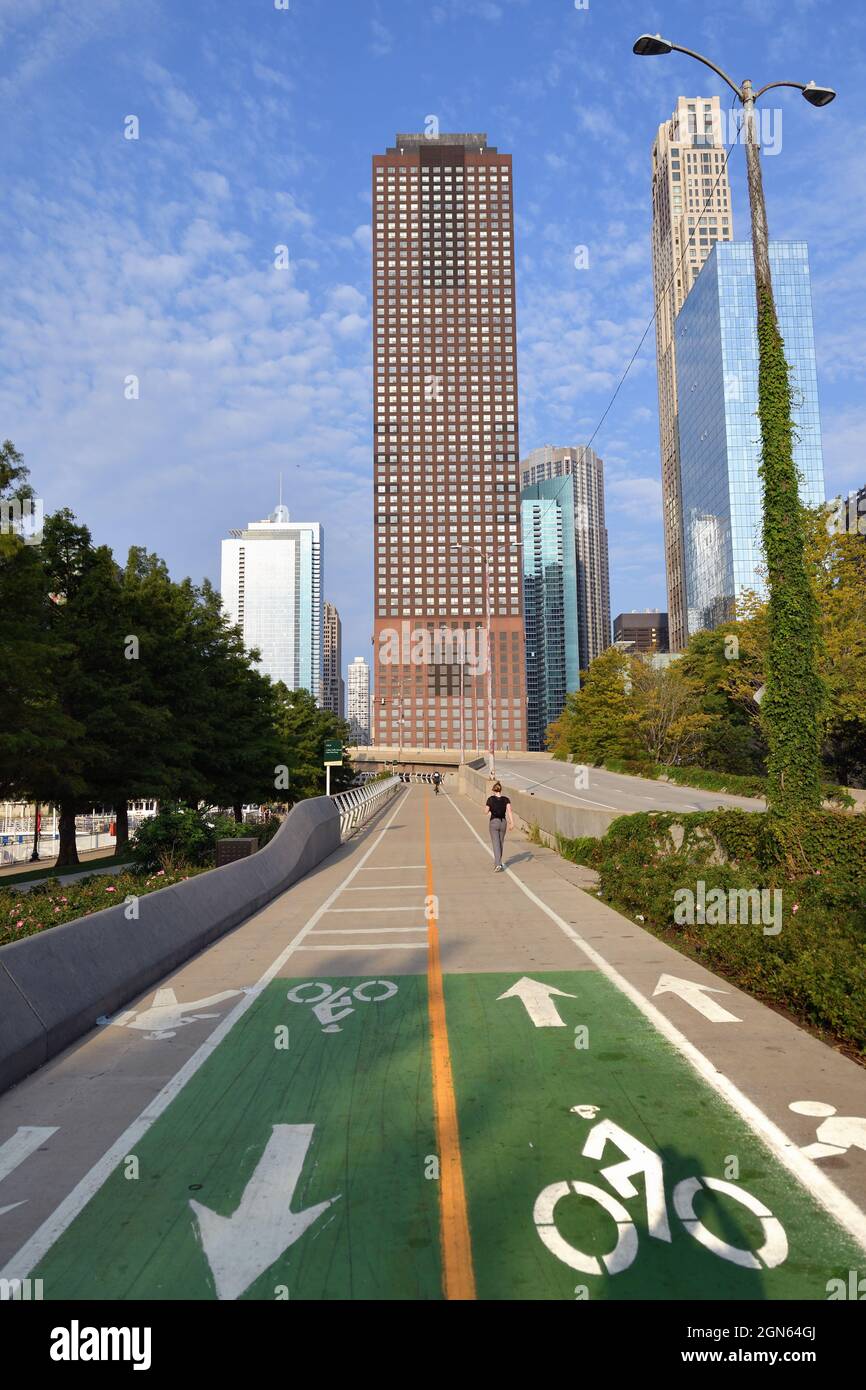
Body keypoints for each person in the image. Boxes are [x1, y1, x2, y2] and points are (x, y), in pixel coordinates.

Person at [485, 781, 513, 872]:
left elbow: (485, 811)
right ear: (501, 790)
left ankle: (497, 864)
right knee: (500, 843)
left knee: (495, 843)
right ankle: (499, 862)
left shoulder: (490, 799)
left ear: (493, 790)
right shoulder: (506, 799)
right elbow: (509, 811)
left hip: (494, 822)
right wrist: (512, 822)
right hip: (503, 822)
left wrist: (490, 810)